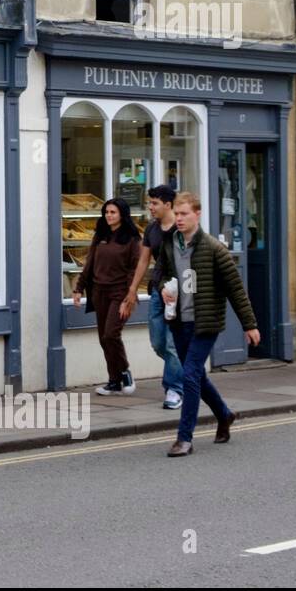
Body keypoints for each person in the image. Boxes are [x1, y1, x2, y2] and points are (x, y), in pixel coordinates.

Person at [158, 192, 259, 457]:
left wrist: (250, 325)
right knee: (197, 377)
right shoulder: (170, 244)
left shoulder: (214, 248)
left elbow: (236, 289)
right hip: (179, 321)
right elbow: (159, 275)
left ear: (197, 215)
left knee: (189, 374)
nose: (179, 219)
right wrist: (162, 289)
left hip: (205, 323)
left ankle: (184, 439)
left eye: (184, 214)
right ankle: (224, 415)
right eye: (177, 214)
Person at [119, 184, 183, 410]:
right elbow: (144, 260)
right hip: (157, 290)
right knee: (158, 343)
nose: (150, 207)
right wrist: (132, 289)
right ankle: (183, 369)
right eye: (149, 203)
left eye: (154, 203)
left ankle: (174, 388)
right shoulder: (151, 229)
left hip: (179, 292)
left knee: (171, 343)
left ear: (168, 204)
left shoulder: (182, 227)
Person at [72, 197, 142, 397]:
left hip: (120, 293)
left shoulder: (132, 239)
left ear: (122, 214)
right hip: (99, 292)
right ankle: (114, 381)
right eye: (106, 212)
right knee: (104, 339)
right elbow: (89, 264)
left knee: (111, 334)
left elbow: (134, 270)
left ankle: (124, 372)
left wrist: (129, 296)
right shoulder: (100, 236)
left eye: (113, 212)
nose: (109, 216)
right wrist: (79, 289)